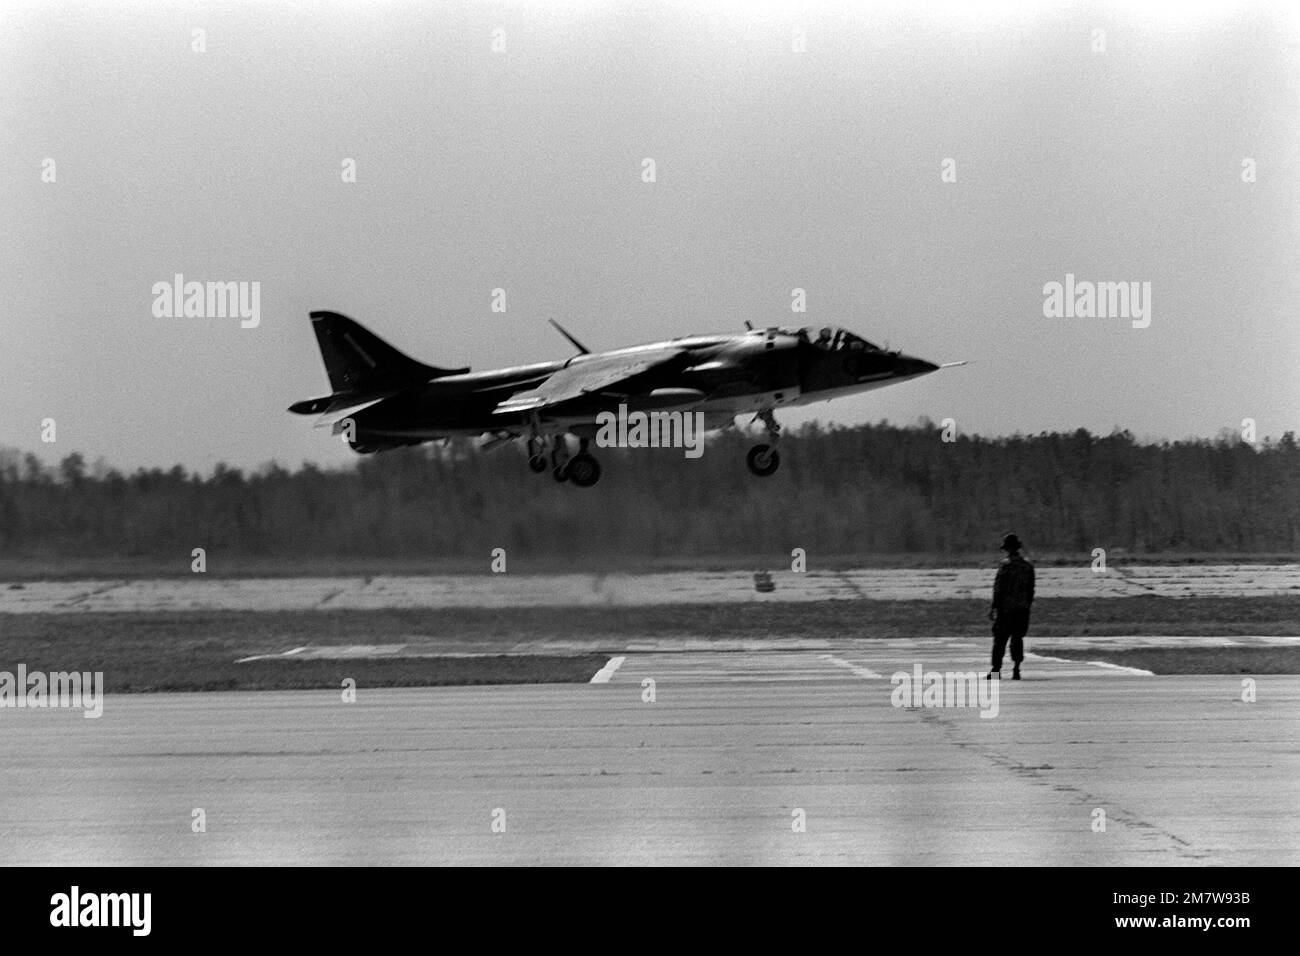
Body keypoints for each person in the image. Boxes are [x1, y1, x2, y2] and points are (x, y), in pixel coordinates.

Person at [988, 533, 1034, 680]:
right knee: (1017, 638)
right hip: (1022, 609)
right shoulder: (1027, 566)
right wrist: (1027, 605)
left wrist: (994, 607)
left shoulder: (1005, 565)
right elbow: (1031, 589)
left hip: (1006, 609)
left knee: (1000, 640)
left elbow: (998, 588)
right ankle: (1016, 669)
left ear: (1007, 549)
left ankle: (996, 670)